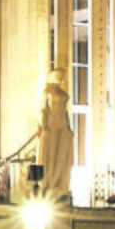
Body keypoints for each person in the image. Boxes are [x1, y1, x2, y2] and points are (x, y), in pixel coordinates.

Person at [36, 73, 75, 202]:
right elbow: (44, 109)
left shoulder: (63, 93)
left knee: (62, 154)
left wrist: (69, 128)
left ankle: (60, 182)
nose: (61, 78)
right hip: (52, 121)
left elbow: (65, 112)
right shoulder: (47, 91)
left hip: (61, 121)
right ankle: (48, 183)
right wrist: (44, 124)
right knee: (50, 153)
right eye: (59, 75)